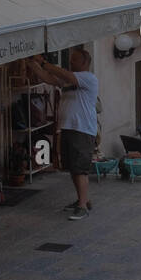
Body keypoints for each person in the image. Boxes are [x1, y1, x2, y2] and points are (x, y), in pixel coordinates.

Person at [27, 48, 98, 220]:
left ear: (83, 62)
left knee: (80, 169)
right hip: (68, 128)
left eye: (74, 60)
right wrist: (31, 63)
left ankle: (82, 207)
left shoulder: (88, 78)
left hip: (82, 129)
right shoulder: (67, 79)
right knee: (73, 168)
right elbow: (47, 78)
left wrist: (43, 62)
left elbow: (64, 75)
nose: (70, 62)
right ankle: (83, 200)